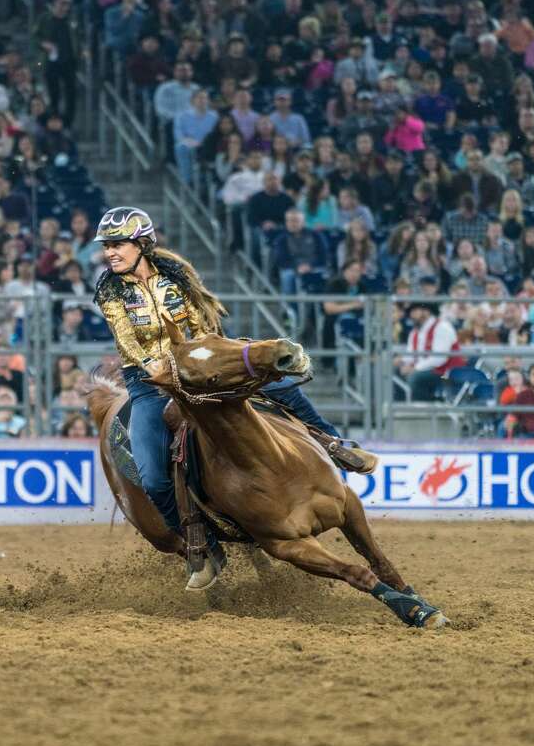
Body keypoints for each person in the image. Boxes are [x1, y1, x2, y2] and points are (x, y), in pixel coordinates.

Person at [92, 206, 377, 589]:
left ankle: (334, 442)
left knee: (280, 388)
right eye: (107, 246)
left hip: (198, 367)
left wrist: (205, 360)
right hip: (148, 384)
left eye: (117, 244)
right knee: (151, 474)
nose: (110, 252)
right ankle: (201, 544)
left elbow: (204, 327)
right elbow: (128, 341)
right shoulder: (110, 291)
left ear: (142, 243)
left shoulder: (176, 279)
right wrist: (161, 370)